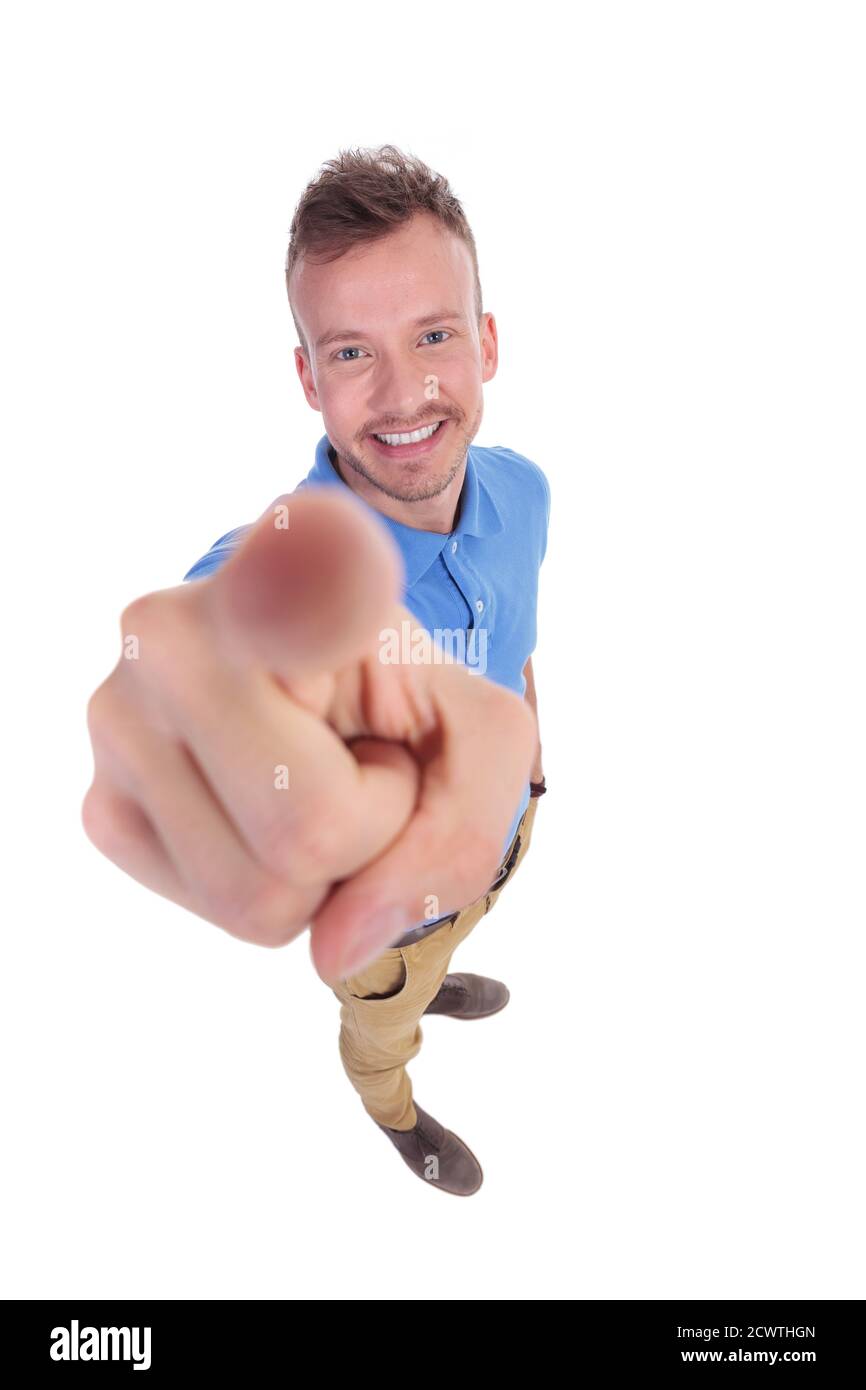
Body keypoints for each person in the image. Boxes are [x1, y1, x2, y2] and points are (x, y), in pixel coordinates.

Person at [83, 145, 550, 1196]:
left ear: (483, 343)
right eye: (350, 354)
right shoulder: (303, 564)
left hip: (511, 830)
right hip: (383, 922)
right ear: (307, 378)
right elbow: (215, 622)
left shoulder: (524, 490)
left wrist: (529, 742)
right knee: (378, 1018)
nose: (401, 394)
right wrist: (187, 678)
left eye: (431, 334)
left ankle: (437, 980)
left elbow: (518, 631)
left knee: (461, 924)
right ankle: (391, 1101)